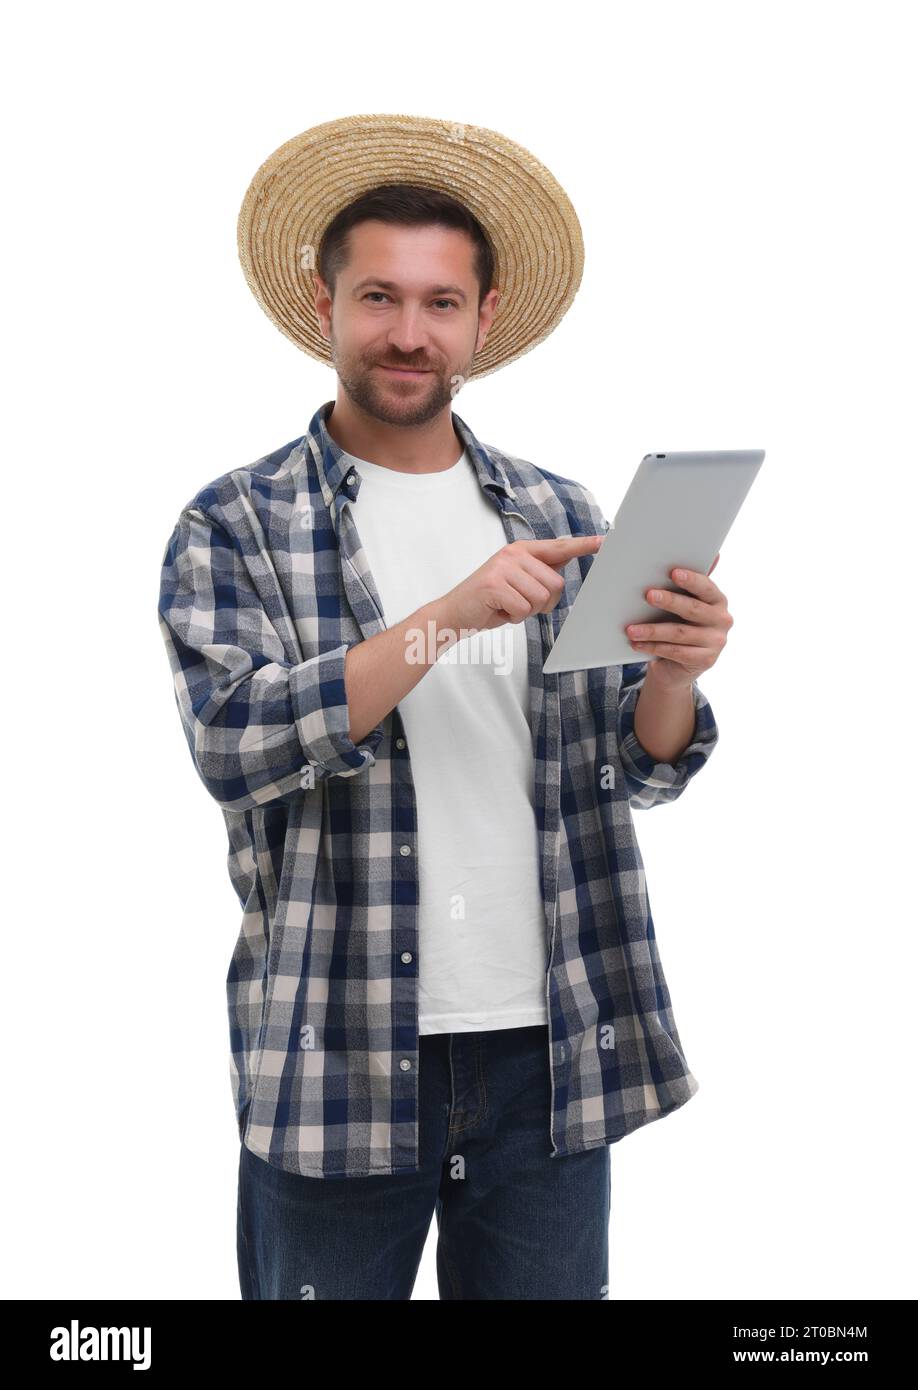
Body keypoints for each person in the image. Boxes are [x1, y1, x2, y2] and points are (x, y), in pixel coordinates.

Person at [157, 114, 731, 1300]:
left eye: (438, 303)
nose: (407, 333)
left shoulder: (553, 507)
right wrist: (445, 618)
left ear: (482, 316)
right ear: (324, 309)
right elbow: (236, 741)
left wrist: (674, 672)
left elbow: (637, 768)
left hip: (552, 1046)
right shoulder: (238, 523)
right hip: (339, 1049)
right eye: (378, 297)